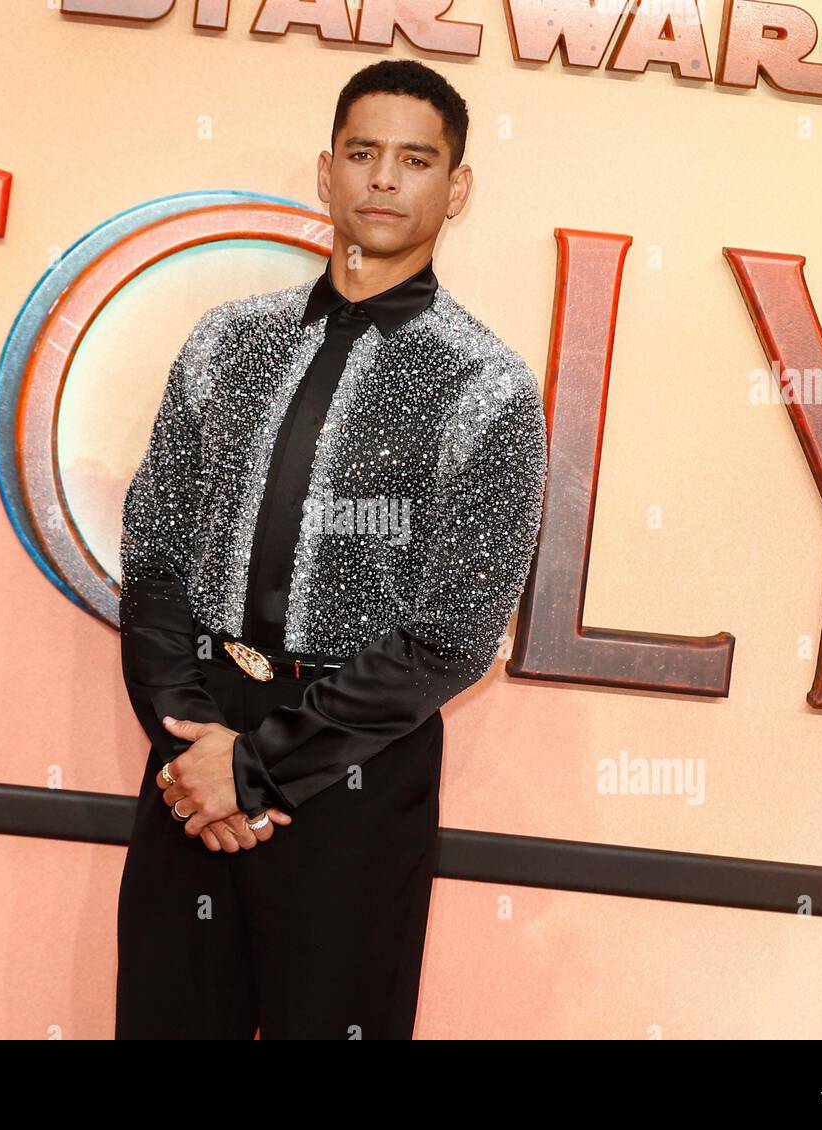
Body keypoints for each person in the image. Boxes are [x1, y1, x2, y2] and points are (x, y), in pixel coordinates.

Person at [114, 59, 548, 1039]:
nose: (384, 179)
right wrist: (192, 742)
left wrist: (259, 769)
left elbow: (454, 634)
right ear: (325, 172)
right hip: (195, 744)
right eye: (362, 153)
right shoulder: (227, 340)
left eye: (414, 159)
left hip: (355, 764)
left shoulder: (486, 384)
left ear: (456, 187)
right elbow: (154, 556)